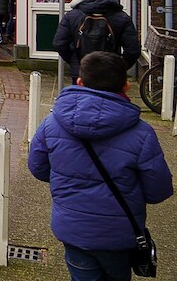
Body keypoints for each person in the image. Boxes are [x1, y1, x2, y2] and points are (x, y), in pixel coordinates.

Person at [29, 51, 173, 280]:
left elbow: (38, 168)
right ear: (126, 86)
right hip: (118, 234)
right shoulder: (142, 134)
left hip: (73, 230)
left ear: (79, 82)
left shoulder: (51, 124)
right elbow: (159, 190)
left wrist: (68, 176)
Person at [53, 0, 140, 84]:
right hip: (111, 72)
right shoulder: (121, 17)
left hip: (81, 71)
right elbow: (133, 50)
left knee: (81, 99)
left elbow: (59, 44)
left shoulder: (72, 16)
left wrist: (74, 61)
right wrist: (119, 66)